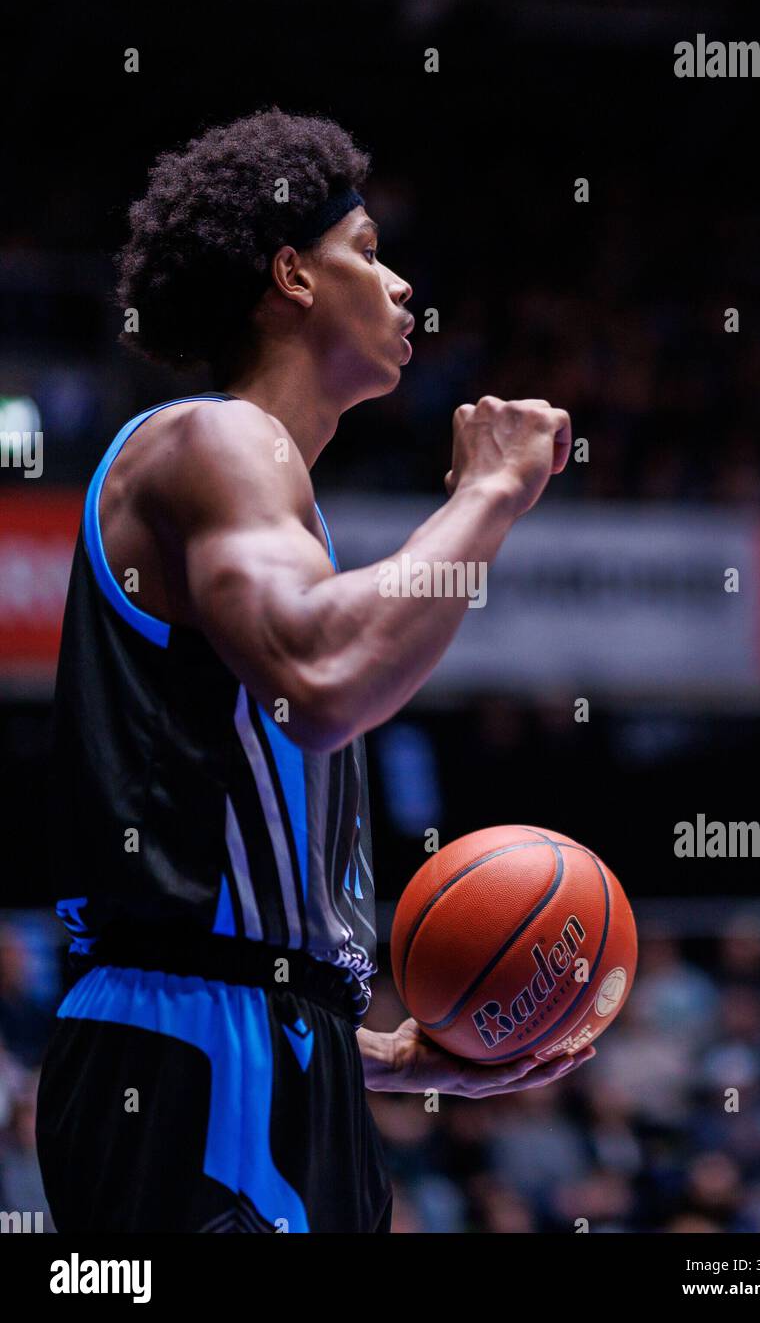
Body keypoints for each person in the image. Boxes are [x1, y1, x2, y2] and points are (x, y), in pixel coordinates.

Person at [36, 108, 590, 1234]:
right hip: (190, 1053)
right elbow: (324, 680)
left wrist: (370, 1049)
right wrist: (490, 492)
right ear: (291, 274)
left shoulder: (273, 492)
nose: (400, 286)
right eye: (368, 252)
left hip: (266, 1040)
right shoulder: (210, 440)